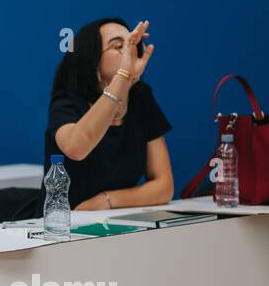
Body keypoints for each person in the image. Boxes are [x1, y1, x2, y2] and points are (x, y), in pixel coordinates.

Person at [44, 18, 173, 211]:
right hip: (63, 225)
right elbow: (76, 148)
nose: (129, 50)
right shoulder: (68, 102)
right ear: (93, 59)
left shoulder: (141, 97)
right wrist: (123, 76)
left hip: (116, 222)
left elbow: (164, 187)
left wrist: (106, 201)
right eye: (118, 45)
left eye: (132, 44)